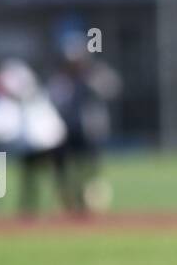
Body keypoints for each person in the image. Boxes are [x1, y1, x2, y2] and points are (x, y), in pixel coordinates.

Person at [46, 36, 121, 213]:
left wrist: (92, 80)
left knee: (89, 169)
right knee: (62, 168)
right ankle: (68, 200)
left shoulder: (95, 76)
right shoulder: (60, 81)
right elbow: (53, 101)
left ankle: (88, 201)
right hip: (63, 132)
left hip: (88, 132)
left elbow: (112, 88)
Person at [0, 59, 69, 214]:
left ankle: (66, 207)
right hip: (34, 144)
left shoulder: (33, 98)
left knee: (56, 178)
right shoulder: (19, 102)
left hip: (49, 141)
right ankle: (29, 211)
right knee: (31, 180)